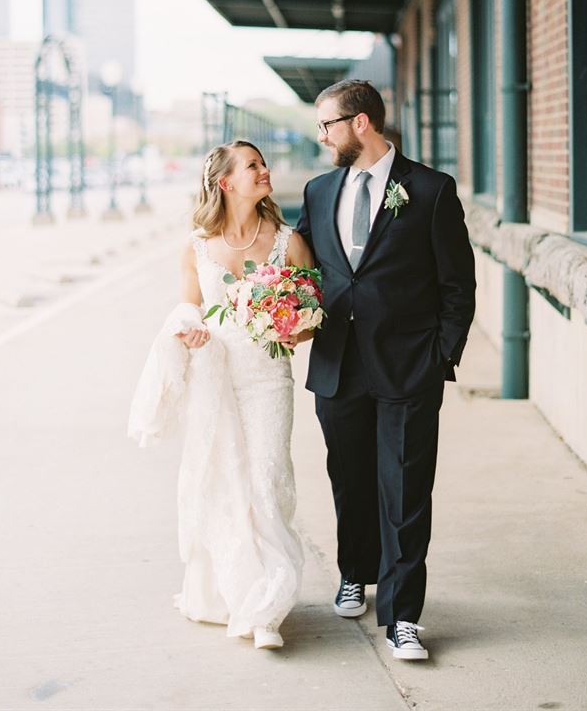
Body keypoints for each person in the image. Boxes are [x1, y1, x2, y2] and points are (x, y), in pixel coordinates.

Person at [291, 80, 476, 661]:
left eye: (327, 125)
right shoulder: (319, 192)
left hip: (408, 368)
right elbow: (294, 264)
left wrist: (440, 356)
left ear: (361, 123)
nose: (321, 136)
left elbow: (457, 283)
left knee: (406, 492)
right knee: (349, 480)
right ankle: (355, 570)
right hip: (338, 365)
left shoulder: (430, 190)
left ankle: (402, 617)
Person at [128, 140, 313, 649]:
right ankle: (241, 598)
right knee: (224, 480)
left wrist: (293, 326)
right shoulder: (196, 246)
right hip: (218, 376)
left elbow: (309, 316)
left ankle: (267, 607)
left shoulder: (288, 242)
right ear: (226, 182)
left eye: (263, 163)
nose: (265, 170)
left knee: (267, 480)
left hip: (268, 379)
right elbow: (188, 307)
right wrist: (189, 331)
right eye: (253, 165)